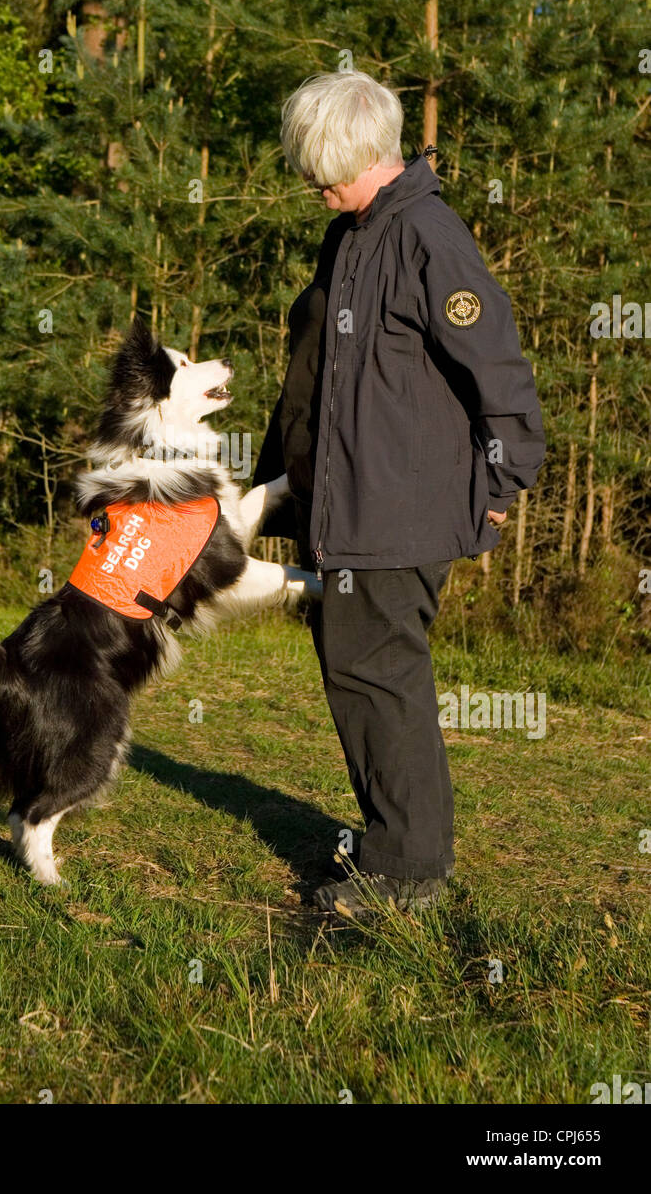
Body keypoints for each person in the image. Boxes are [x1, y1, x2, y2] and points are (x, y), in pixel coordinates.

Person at [253, 70, 546, 919]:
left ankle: (406, 873)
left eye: (320, 169)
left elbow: (496, 364)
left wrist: (503, 476)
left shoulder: (425, 234)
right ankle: (392, 838)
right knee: (358, 675)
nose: (311, 185)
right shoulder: (352, 234)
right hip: (347, 505)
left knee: (380, 679)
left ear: (359, 154)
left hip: (400, 509)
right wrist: (282, 484)